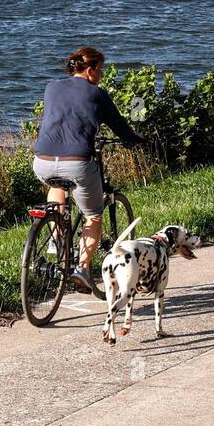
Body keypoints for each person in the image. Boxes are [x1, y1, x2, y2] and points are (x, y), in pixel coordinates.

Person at [33, 46, 146, 293]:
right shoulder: (97, 94)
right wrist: (137, 139)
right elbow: (121, 128)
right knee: (93, 215)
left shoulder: (51, 87)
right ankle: (82, 269)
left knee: (56, 187)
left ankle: (56, 241)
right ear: (91, 69)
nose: (102, 75)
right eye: (101, 70)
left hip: (41, 161)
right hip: (77, 163)